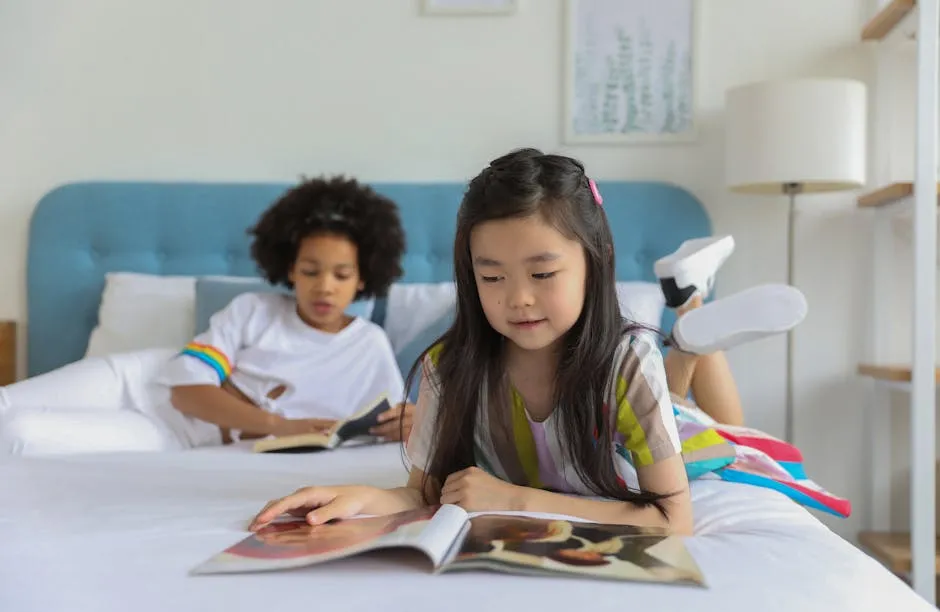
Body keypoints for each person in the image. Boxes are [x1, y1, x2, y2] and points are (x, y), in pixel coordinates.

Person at [249, 149, 806, 536]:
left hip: (631, 410)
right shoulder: (451, 366)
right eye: (492, 277)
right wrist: (349, 497)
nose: (517, 299)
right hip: (618, 417)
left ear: (595, 263)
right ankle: (685, 330)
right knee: (669, 391)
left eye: (542, 275)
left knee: (719, 435)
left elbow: (672, 518)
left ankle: (689, 312)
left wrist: (514, 499)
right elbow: (421, 492)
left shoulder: (627, 364)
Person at [0, 176, 417, 453]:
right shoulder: (254, 310)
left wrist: (408, 423)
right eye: (310, 271)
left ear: (363, 279)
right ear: (289, 269)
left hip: (174, 433)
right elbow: (187, 391)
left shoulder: (369, 346)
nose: (325, 286)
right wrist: (283, 426)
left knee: (18, 433)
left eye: (341, 274)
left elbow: (389, 427)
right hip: (141, 378)